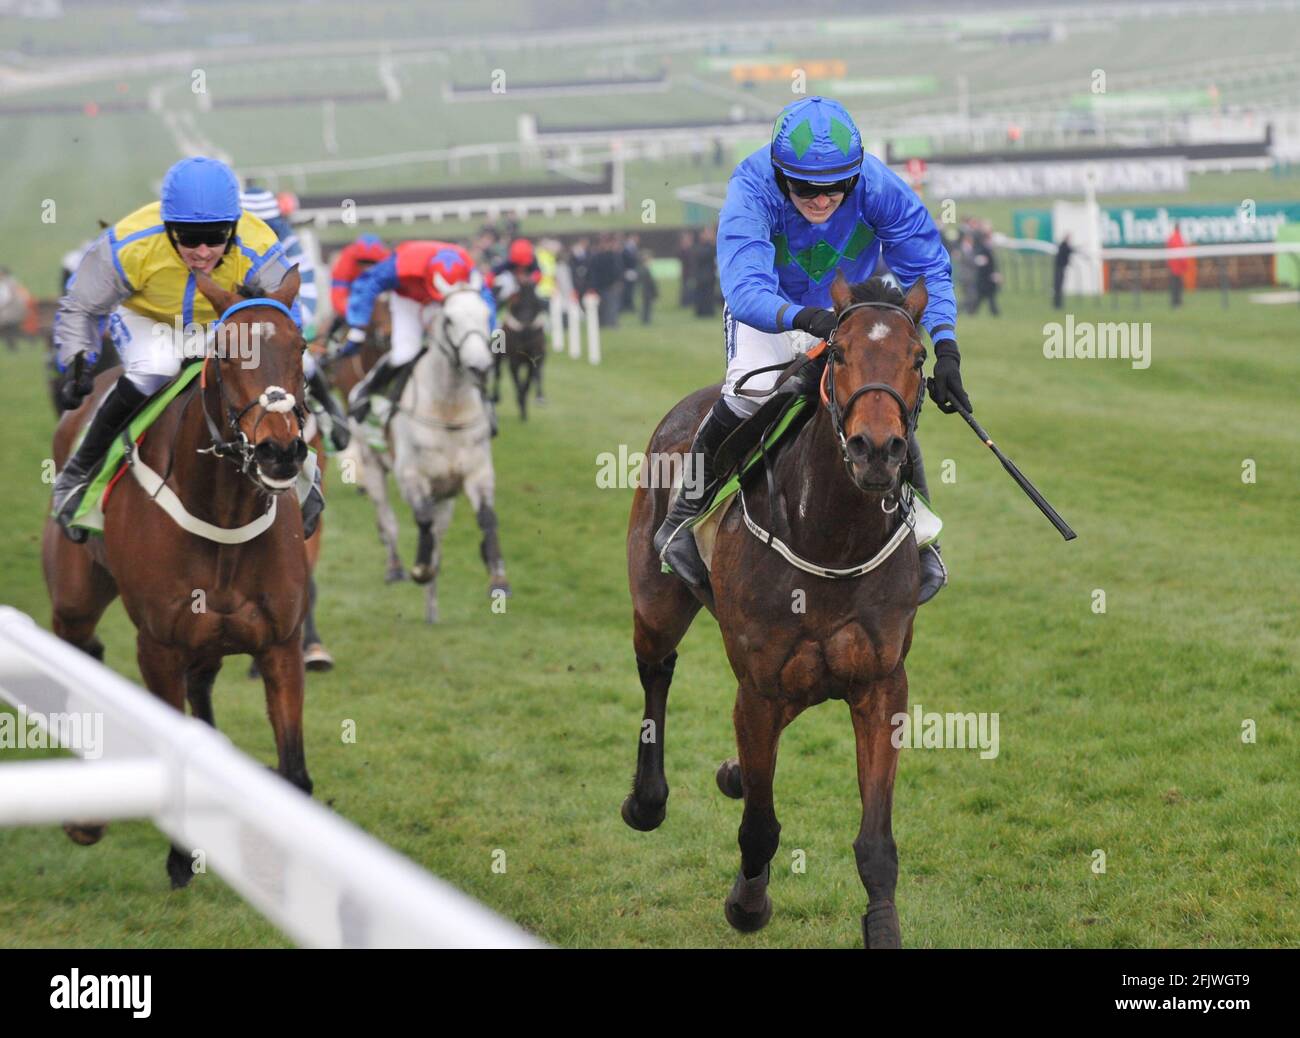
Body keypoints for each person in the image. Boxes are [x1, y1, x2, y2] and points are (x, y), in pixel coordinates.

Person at [654, 96, 970, 603]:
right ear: (781, 174)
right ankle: (681, 516)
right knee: (752, 393)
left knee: (881, 399)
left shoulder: (877, 184)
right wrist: (806, 320)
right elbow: (745, 287)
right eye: (806, 188)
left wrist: (947, 346)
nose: (822, 201)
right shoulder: (752, 186)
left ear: (855, 173)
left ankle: (918, 533)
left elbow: (927, 267)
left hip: (851, 313)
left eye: (836, 188)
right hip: (771, 308)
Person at [49, 156, 317, 542]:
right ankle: (78, 473)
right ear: (167, 227)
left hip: (221, 322)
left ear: (234, 227)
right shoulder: (129, 243)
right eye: (189, 238)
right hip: (150, 320)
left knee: (267, 381)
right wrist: (77, 358)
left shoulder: (258, 244)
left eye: (217, 236)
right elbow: (82, 304)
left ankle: (307, 478)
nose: (204, 251)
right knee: (156, 367)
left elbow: (283, 314)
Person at [241, 182, 349, 450]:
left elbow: (303, 283)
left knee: (307, 362)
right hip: (239, 317)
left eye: (267, 223)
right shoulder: (232, 240)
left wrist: (291, 327)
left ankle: (332, 411)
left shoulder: (285, 237)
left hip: (280, 312)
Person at [344, 239, 496, 423]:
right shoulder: (402, 264)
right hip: (408, 299)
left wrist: (491, 336)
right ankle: (366, 392)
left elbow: (486, 302)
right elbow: (368, 284)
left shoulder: (468, 268)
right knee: (405, 353)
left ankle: (483, 403)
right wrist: (358, 328)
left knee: (461, 352)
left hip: (446, 302)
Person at [1166, 226, 1188, 307]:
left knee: (1174, 285)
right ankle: (1177, 302)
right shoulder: (1179, 238)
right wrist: (1185, 265)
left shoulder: (1171, 238)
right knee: (1178, 285)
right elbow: (1181, 254)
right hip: (1177, 267)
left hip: (1173, 266)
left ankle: (1175, 302)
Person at [637, 249, 658, 325]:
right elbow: (650, 282)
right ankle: (646, 320)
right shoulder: (645, 270)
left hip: (645, 291)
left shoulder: (642, 269)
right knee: (647, 306)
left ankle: (645, 319)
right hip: (647, 291)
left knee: (646, 306)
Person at [1053, 234, 1073, 309]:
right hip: (1059, 269)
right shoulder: (1064, 246)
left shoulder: (1063, 245)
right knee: (1058, 288)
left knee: (1058, 288)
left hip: (1059, 269)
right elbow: (1069, 251)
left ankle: (1058, 304)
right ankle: (1057, 305)